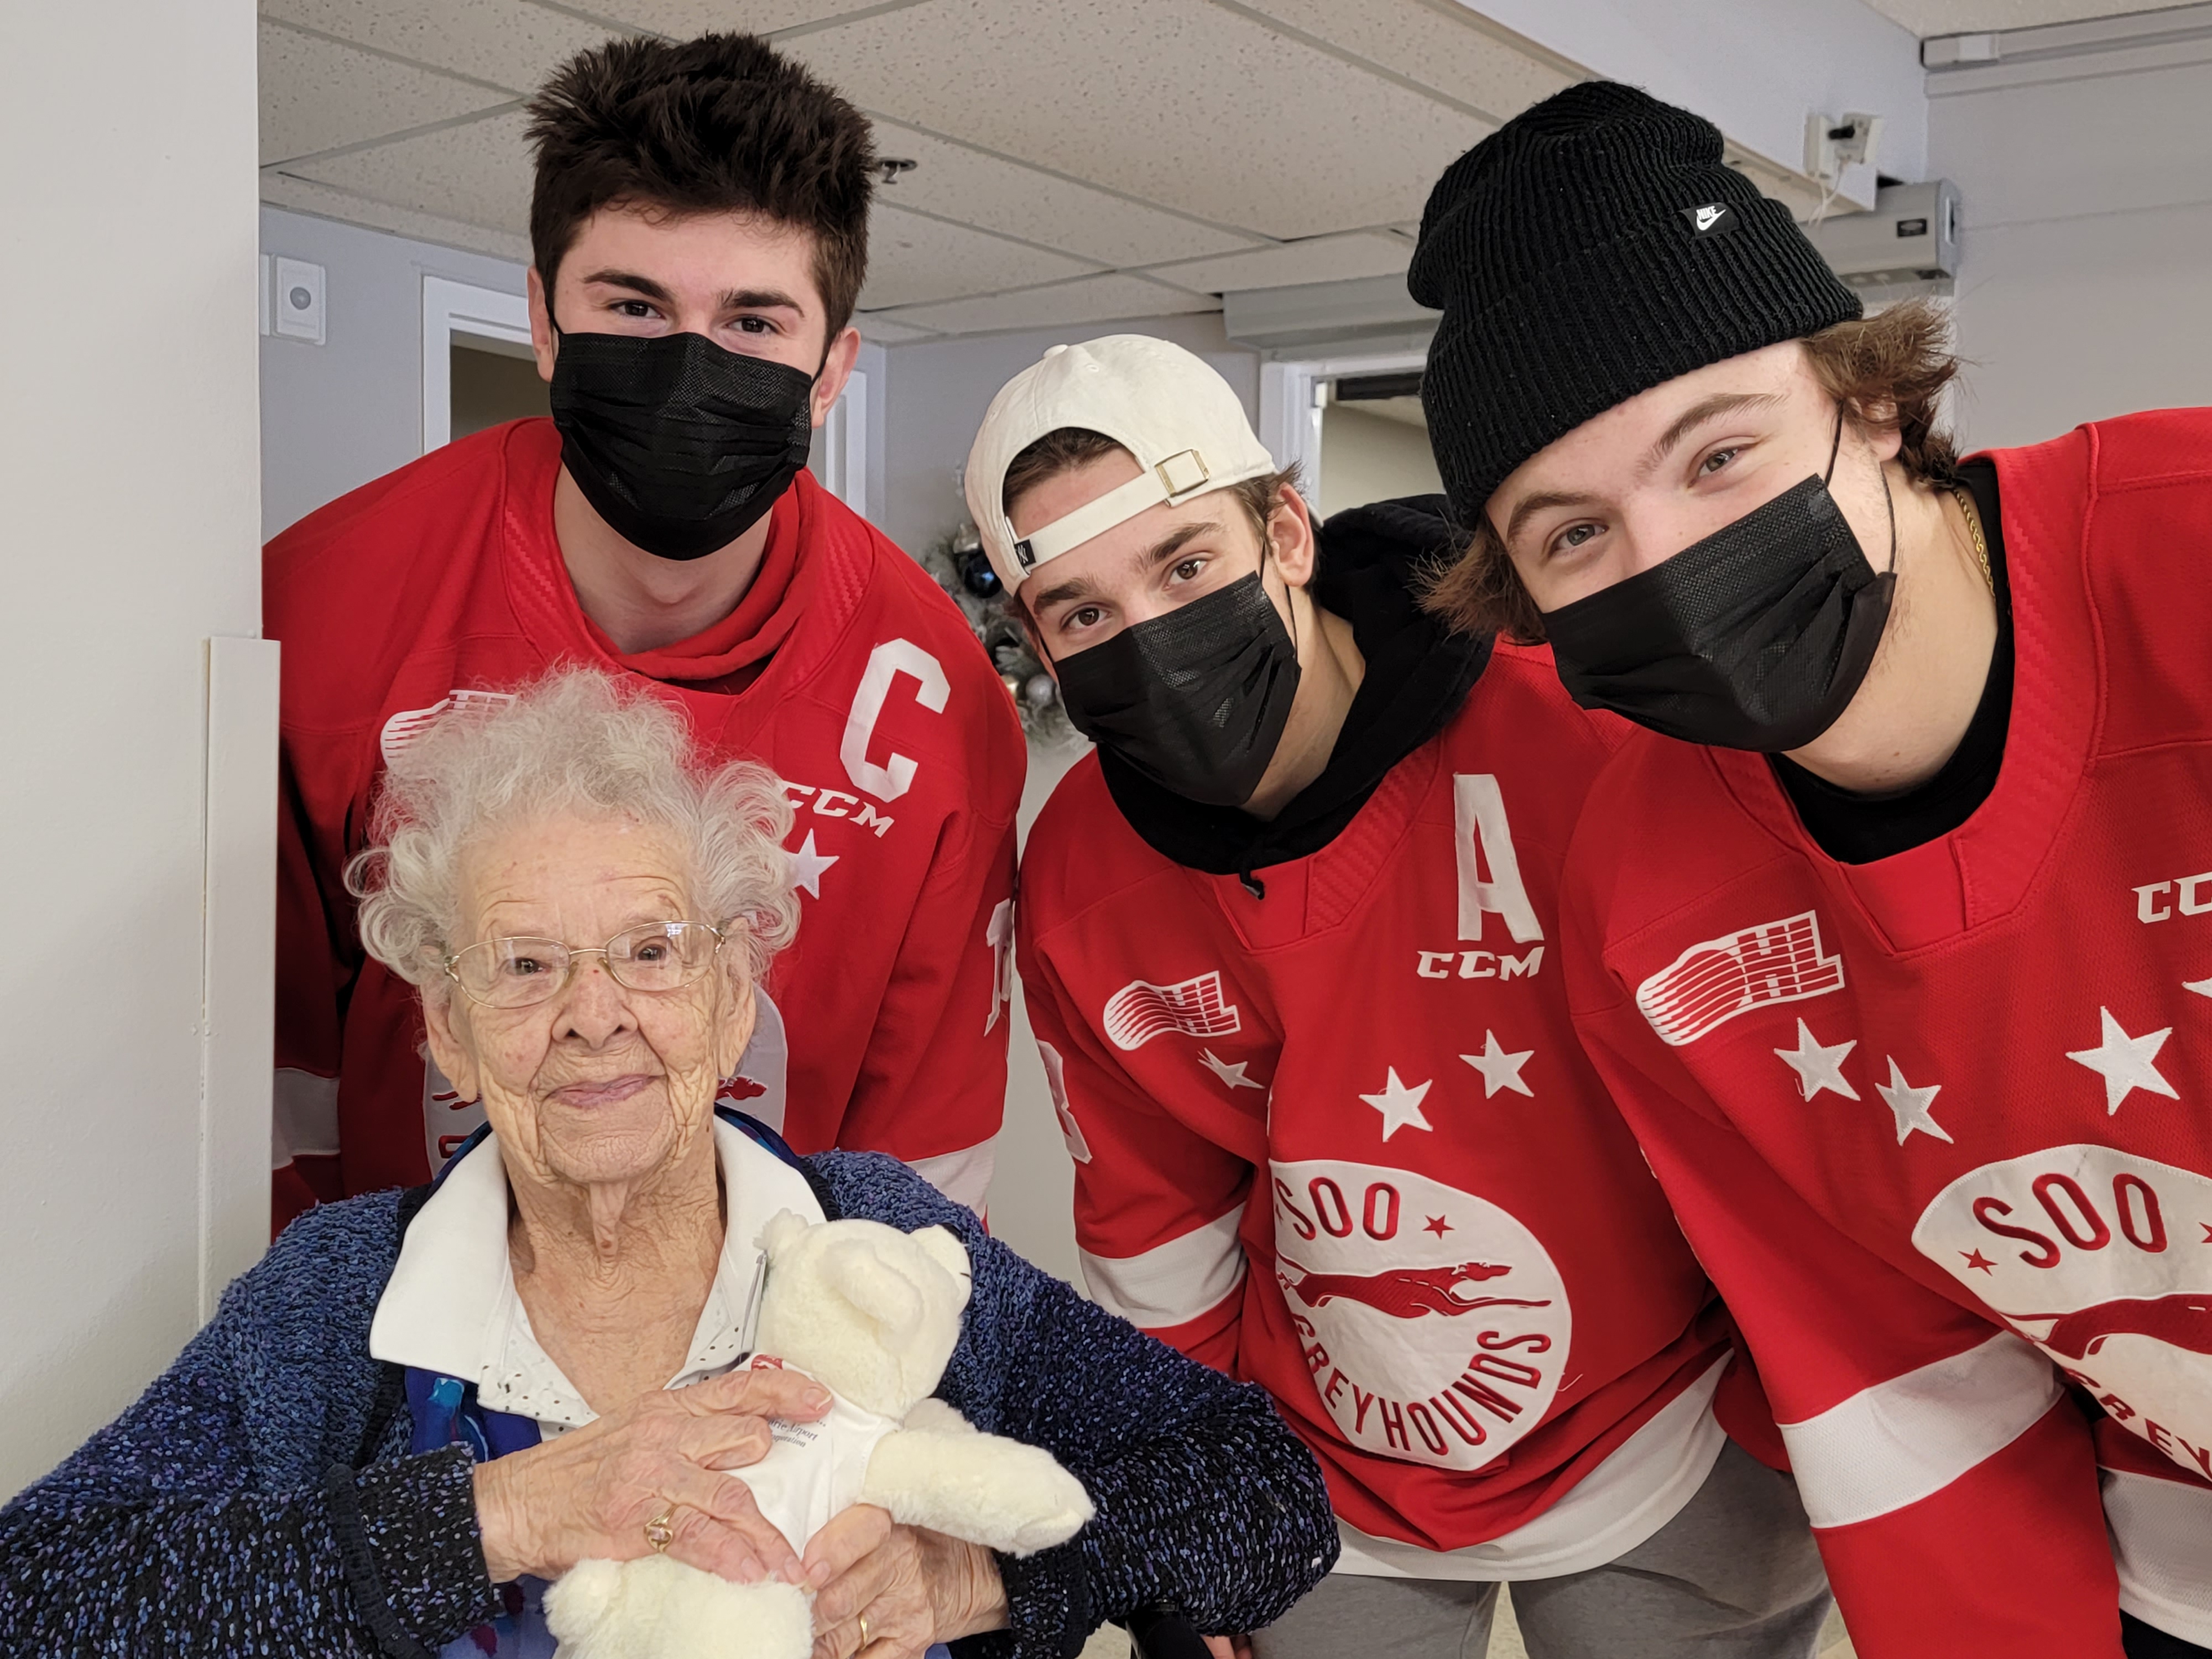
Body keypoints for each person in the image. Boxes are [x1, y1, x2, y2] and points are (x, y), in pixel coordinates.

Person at [0, 670, 1334, 1658]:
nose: (595, 1017)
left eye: (650, 951)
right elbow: (40, 1589)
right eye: (524, 967)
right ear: (449, 1032)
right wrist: (498, 1518)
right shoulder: (340, 1295)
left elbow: (1263, 1492)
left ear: (732, 997)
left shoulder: (868, 1238)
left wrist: (973, 1580)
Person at [1411, 81, 2212, 1658]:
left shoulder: (2186, 556)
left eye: (1718, 455)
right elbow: (1895, 1385)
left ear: (1875, 401)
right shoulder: (1652, 907)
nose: (1668, 561)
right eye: (1572, 534)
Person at [968, 335, 1831, 1658]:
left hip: (1665, 1424)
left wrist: (1802, 1418)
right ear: (1036, 639)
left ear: (1288, 533)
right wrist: (1195, 1516)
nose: (1151, 637)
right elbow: (1157, 1221)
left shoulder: (1574, 731)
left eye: (1185, 565)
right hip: (1325, 1471)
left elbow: (1787, 1105)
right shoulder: (1084, 864)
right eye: (1083, 614)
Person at [265, 33, 1022, 1233]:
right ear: (543, 321)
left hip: (762, 1331)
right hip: (399, 1325)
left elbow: (923, 1156)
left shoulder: (939, 698)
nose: (688, 366)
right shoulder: (318, 619)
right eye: (633, 304)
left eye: (754, 323)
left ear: (830, 370)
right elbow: (256, 1093)